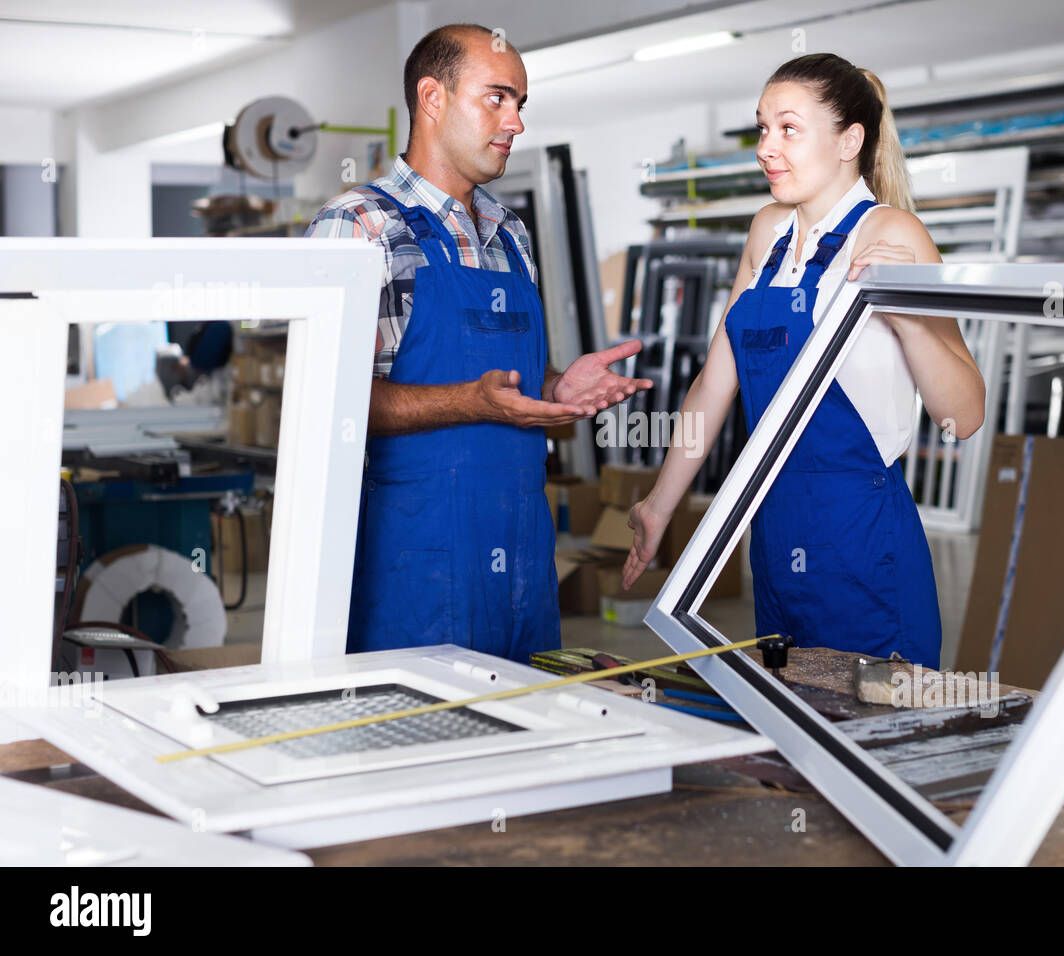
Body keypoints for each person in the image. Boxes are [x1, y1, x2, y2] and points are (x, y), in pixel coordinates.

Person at [622, 54, 985, 669]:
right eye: (762, 128)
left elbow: (965, 413)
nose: (767, 147)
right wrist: (659, 506)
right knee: (790, 730)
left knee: (871, 740)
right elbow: (715, 384)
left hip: (862, 541)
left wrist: (904, 319)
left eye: (788, 129)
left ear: (850, 141)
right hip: (772, 530)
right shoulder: (766, 233)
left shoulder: (893, 233)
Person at [307, 24, 651, 662]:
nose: (515, 122)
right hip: (412, 561)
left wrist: (553, 386)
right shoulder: (359, 226)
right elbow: (331, 405)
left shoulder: (509, 232)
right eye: (497, 98)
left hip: (520, 554)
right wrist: (473, 402)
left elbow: (506, 380)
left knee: (524, 738)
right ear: (432, 98)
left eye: (521, 103)